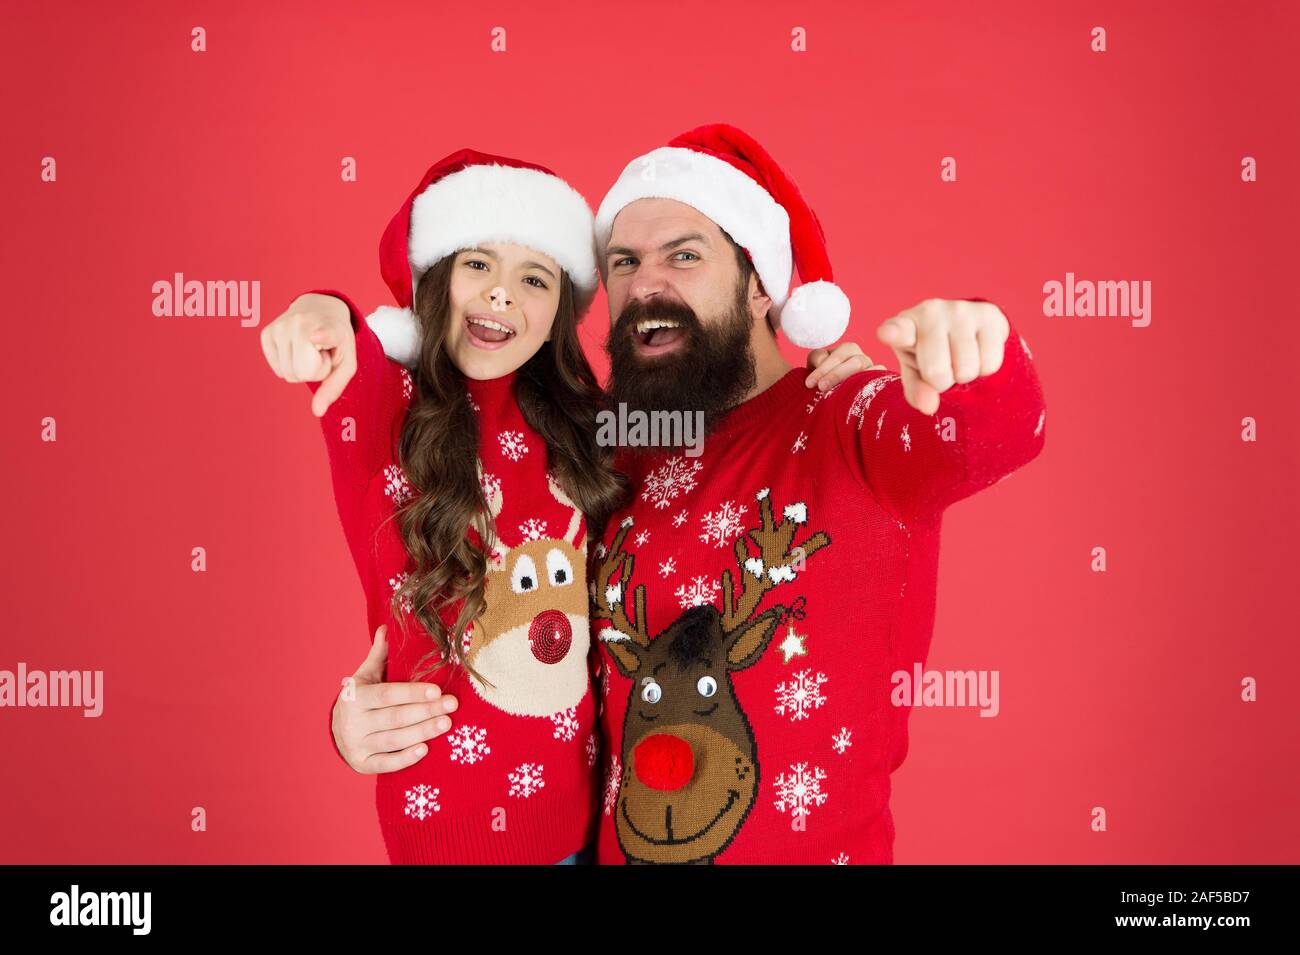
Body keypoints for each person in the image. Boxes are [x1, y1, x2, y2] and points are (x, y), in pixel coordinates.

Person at [375, 123, 1048, 863]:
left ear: (761, 283)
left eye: (684, 255)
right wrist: (359, 716)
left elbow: (992, 434)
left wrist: (979, 354)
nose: (645, 284)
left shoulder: (849, 417)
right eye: (624, 261)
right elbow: (488, 618)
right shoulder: (602, 451)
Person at [263, 146, 873, 865]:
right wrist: (318, 313)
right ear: (437, 277)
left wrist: (833, 382)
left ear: (560, 307)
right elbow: (337, 347)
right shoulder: (388, 414)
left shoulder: (588, 423)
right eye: (477, 264)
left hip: (583, 837)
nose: (501, 295)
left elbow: (720, 423)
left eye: (533, 277)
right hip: (443, 838)